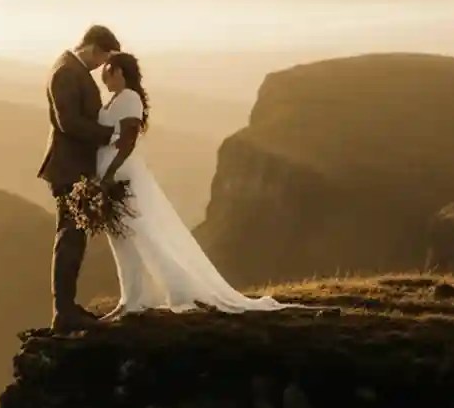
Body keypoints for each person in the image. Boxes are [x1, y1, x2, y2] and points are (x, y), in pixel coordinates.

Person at [95, 52, 314, 318]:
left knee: (141, 234)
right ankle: (131, 297)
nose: (103, 76)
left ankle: (154, 294)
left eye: (107, 71)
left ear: (119, 71)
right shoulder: (117, 98)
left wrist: (110, 173)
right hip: (111, 173)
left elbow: (128, 140)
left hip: (121, 175)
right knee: (123, 237)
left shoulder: (129, 98)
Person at [37, 25, 121, 332]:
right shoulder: (66, 72)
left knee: (74, 238)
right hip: (67, 168)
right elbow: (69, 122)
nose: (101, 66)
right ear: (93, 48)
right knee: (69, 238)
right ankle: (64, 311)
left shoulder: (73, 69)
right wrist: (111, 135)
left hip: (75, 168)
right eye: (103, 59)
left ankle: (67, 307)